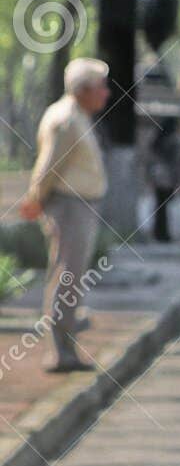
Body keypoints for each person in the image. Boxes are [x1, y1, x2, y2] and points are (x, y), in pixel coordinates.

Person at [17, 57, 109, 373]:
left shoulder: (76, 115)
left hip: (78, 205)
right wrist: (35, 198)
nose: (106, 94)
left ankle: (67, 343)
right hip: (68, 206)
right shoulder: (66, 118)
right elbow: (49, 165)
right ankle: (60, 351)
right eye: (101, 87)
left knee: (71, 276)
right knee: (66, 276)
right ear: (83, 90)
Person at [149, 117, 180, 243]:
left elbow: (150, 160)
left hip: (157, 177)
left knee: (159, 207)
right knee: (168, 207)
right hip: (169, 179)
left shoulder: (157, 140)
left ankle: (158, 233)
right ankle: (166, 234)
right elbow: (177, 163)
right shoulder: (176, 141)